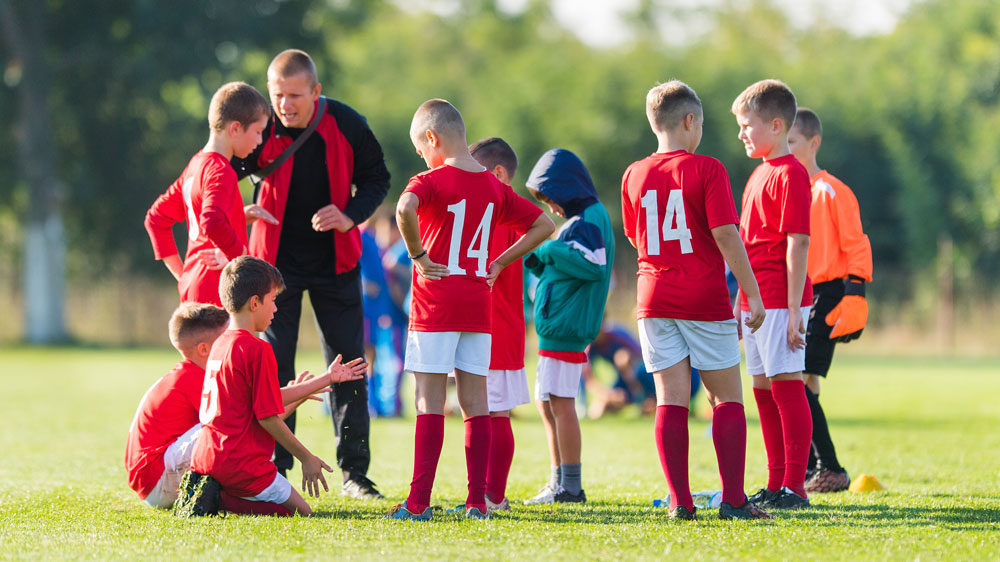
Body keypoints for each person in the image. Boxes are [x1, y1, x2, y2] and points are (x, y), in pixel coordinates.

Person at [230, 49, 392, 499]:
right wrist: (235, 211)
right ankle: (275, 470)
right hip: (271, 271)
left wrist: (350, 214)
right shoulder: (260, 125)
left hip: (336, 265)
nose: (284, 105)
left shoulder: (347, 122)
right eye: (277, 95)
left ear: (316, 92)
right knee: (273, 370)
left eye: (295, 96)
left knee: (348, 365)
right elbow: (226, 168)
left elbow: (379, 177)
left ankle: (355, 475)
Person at [386, 100, 554, 520]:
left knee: (429, 402)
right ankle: (478, 501)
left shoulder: (429, 179)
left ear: (431, 138)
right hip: (478, 305)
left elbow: (404, 208)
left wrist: (418, 255)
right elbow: (545, 225)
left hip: (435, 303)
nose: (422, 157)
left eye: (421, 148)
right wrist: (499, 261)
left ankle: (418, 502)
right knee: (476, 405)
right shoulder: (496, 187)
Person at [621, 80, 771, 521]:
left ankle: (679, 502)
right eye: (701, 123)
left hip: (653, 294)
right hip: (702, 295)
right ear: (690, 121)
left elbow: (635, 235)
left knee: (670, 399)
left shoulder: (633, 172)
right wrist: (751, 292)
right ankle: (733, 500)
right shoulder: (707, 169)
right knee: (725, 399)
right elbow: (727, 233)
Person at [188, 256, 367, 516]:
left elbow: (253, 411)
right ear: (255, 303)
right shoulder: (257, 348)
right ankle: (225, 499)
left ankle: (221, 494)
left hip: (208, 458)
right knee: (302, 513)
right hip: (242, 465)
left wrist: (318, 384)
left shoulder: (221, 344)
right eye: (273, 300)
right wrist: (306, 456)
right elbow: (267, 418)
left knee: (289, 508)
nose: (275, 309)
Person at [731, 79, 814, 510]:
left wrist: (798, 309)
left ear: (777, 125)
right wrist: (740, 298)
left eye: (748, 125)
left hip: (783, 299)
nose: (742, 134)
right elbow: (746, 243)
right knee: (762, 388)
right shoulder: (758, 173)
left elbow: (797, 242)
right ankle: (776, 480)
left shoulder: (792, 173)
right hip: (756, 300)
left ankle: (796, 488)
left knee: (786, 386)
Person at [787, 107, 873, 493]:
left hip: (830, 291)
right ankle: (808, 469)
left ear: (813, 142)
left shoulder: (832, 190)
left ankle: (831, 468)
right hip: (799, 294)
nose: (786, 150)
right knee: (806, 382)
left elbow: (856, 243)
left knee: (801, 382)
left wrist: (856, 293)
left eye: (792, 142)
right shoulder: (789, 190)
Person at [522, 148, 614, 505]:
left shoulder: (589, 217)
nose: (551, 208)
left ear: (566, 188)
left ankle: (570, 485)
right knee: (547, 403)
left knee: (560, 404)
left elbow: (591, 263)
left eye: (551, 199)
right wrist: (543, 260)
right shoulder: (579, 220)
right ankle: (558, 479)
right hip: (557, 328)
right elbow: (571, 265)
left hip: (568, 329)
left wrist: (547, 250)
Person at [144, 82, 275, 306]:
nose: (260, 141)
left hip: (194, 290)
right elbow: (211, 221)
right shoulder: (221, 170)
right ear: (235, 128)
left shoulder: (197, 164)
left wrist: (184, 275)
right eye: (258, 131)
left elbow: (156, 219)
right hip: (218, 294)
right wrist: (240, 256)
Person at [468, 136, 529, 511]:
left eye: (476, 170)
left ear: (499, 173)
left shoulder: (502, 210)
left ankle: (494, 494)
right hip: (494, 324)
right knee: (491, 410)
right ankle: (492, 492)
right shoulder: (502, 211)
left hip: (496, 326)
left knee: (495, 411)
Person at [125, 302, 230, 508]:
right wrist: (301, 392)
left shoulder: (187, 373)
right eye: (225, 339)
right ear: (204, 349)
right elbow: (249, 418)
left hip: (154, 481)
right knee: (226, 423)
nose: (232, 343)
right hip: (157, 482)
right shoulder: (194, 378)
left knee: (228, 419)